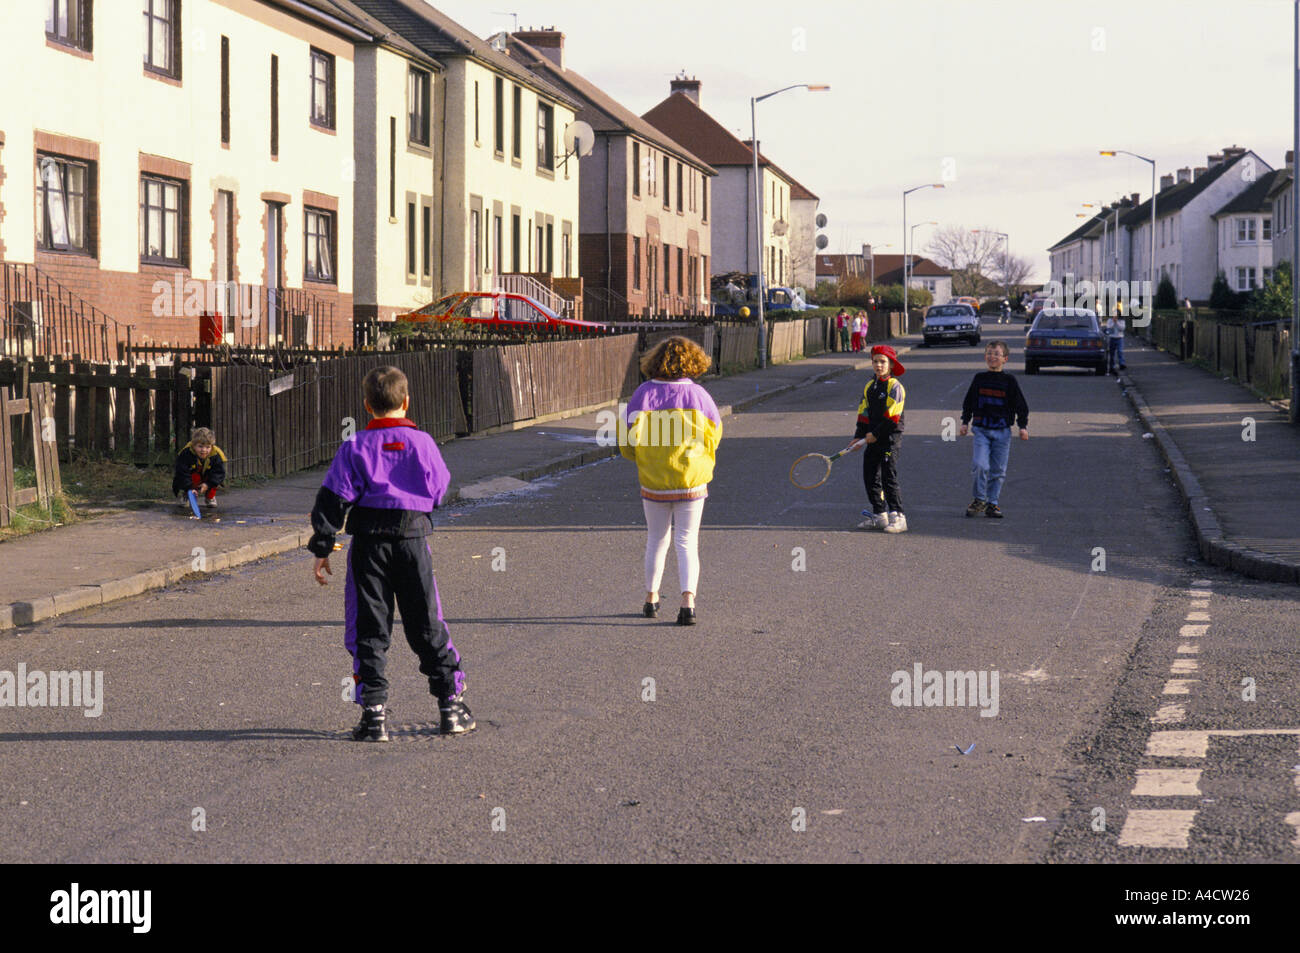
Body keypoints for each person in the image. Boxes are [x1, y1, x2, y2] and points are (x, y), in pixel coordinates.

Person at [308, 366, 473, 742]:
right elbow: (439, 489)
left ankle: (374, 715)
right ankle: (450, 706)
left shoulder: (354, 446)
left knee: (369, 626)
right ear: (406, 400)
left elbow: (331, 500)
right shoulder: (424, 443)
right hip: (413, 541)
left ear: (367, 405)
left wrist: (322, 546)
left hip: (369, 546)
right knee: (427, 623)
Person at [620, 336, 722, 626]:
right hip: (691, 480)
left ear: (656, 360)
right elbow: (715, 436)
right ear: (693, 361)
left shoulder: (643, 394)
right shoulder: (700, 396)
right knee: (687, 541)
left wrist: (643, 459)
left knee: (656, 539)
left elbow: (627, 440)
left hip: (654, 480)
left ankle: (651, 598)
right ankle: (687, 602)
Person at [959, 341, 1029, 519]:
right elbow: (969, 402)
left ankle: (992, 503)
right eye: (989, 353)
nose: (992, 357)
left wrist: (1022, 426)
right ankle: (979, 499)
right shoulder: (979, 378)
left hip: (1002, 431)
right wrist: (965, 422)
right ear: (985, 357)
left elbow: (1021, 405)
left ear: (1005, 359)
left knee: (998, 471)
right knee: (980, 465)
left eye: (997, 354)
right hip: (981, 429)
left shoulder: (1010, 381)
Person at [850, 344, 907, 533]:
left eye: (883, 362)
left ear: (891, 365)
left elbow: (893, 418)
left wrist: (874, 434)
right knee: (870, 475)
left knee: (888, 476)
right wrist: (858, 436)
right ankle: (880, 515)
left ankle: (898, 516)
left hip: (889, 440)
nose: (878, 365)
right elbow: (863, 414)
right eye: (875, 361)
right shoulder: (869, 386)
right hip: (872, 439)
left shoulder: (895, 387)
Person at [172, 427, 226, 508]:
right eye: (200, 446)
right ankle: (187, 495)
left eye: (208, 447)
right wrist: (189, 487)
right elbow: (182, 472)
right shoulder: (186, 453)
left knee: (214, 480)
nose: (204, 450)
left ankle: (210, 497)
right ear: (193, 445)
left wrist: (208, 484)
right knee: (192, 477)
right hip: (193, 476)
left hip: (207, 476)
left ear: (212, 446)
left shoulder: (216, 455)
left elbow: (219, 473)